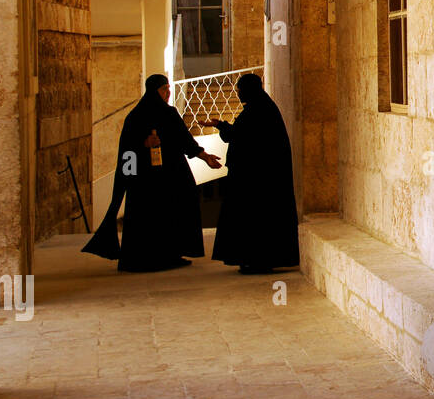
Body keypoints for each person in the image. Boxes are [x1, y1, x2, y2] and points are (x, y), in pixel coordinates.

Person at [84, 74, 222, 271]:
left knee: (177, 208)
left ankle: (172, 254)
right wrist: (144, 145)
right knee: (151, 216)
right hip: (146, 179)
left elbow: (184, 139)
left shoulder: (169, 113)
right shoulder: (136, 117)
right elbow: (127, 150)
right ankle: (148, 258)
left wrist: (204, 156)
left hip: (172, 175)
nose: (168, 93)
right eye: (164, 89)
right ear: (153, 91)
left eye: (168, 88)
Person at [206, 74, 299, 273]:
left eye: (239, 90)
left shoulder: (258, 110)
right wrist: (220, 125)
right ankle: (254, 259)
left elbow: (238, 135)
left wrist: (221, 126)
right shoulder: (260, 107)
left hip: (257, 180)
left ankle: (258, 261)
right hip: (255, 177)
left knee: (256, 220)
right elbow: (241, 135)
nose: (238, 93)